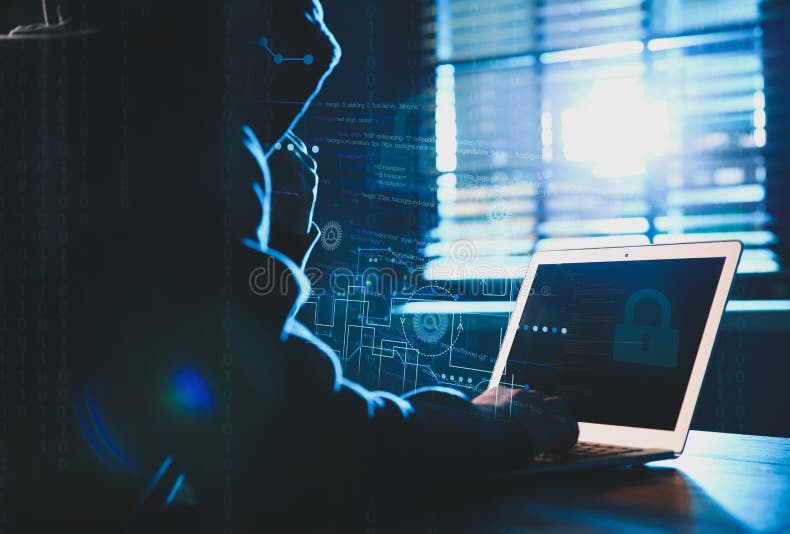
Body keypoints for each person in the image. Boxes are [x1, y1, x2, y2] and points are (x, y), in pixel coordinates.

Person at [9, 1, 578, 531]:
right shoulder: (164, 127)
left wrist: (269, 234)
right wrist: (493, 430)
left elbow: (209, 372)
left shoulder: (47, 87)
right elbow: (303, 443)